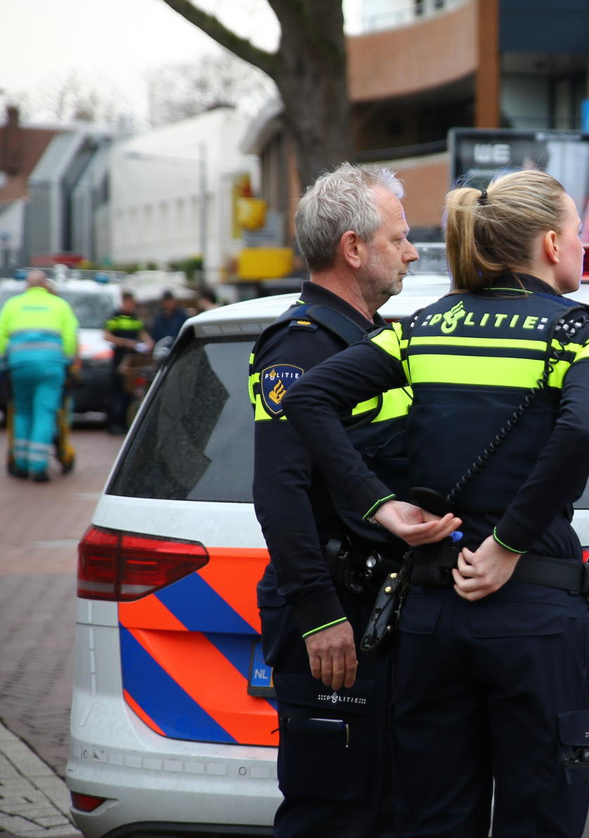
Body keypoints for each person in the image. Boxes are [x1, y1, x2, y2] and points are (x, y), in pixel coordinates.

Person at [283, 168, 589, 838]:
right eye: (580, 233)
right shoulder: (582, 334)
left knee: (433, 821)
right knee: (540, 819)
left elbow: (307, 400)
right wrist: (509, 544)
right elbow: (583, 429)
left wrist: (379, 505)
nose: (582, 246)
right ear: (552, 244)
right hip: (534, 618)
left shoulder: (422, 327)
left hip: (431, 619)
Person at [249, 163, 439, 838]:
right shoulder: (302, 344)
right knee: (333, 814)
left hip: (378, 613)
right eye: (399, 237)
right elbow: (279, 487)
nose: (412, 251)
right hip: (339, 613)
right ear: (353, 248)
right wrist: (320, 613)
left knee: (387, 809)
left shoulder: (371, 340)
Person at [0, 271, 78, 482]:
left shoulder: (12, 304)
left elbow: (1, 336)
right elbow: (70, 337)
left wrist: (4, 363)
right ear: (45, 284)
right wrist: (68, 360)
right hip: (50, 366)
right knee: (44, 412)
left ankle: (22, 464)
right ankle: (39, 466)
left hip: (20, 365)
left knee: (22, 411)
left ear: (27, 285)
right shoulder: (59, 305)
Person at [102, 291, 150, 435]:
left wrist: (148, 342)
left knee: (128, 392)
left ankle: (124, 423)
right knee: (117, 392)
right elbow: (106, 335)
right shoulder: (116, 316)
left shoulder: (135, 317)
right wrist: (123, 342)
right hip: (119, 359)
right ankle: (113, 424)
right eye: (130, 303)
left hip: (131, 360)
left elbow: (141, 332)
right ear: (124, 302)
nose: (132, 306)